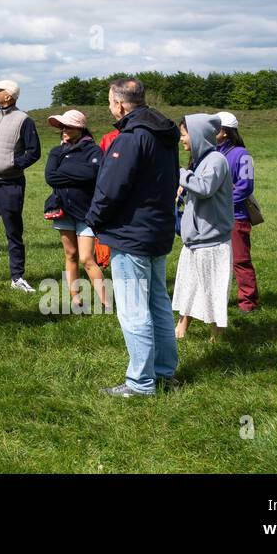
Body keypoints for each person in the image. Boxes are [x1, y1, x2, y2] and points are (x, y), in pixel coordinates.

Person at [84, 77, 181, 397]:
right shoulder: (164, 135)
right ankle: (165, 373)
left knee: (134, 309)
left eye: (110, 102)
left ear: (120, 104)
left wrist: (93, 222)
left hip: (131, 234)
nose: (111, 108)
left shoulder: (129, 138)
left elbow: (110, 188)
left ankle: (140, 383)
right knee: (158, 303)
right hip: (158, 230)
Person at [0, 78, 42, 291]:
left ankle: (17, 277)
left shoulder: (24, 120)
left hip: (9, 185)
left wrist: (12, 164)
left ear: (9, 96)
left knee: (13, 230)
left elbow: (34, 152)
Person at [172, 114, 234, 340]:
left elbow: (205, 187)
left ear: (197, 135)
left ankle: (217, 335)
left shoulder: (216, 160)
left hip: (212, 242)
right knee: (188, 285)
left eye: (184, 134)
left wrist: (179, 173)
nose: (182, 140)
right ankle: (181, 327)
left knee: (212, 289)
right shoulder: (200, 161)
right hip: (195, 240)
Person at [43, 109, 108, 310]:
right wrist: (79, 174)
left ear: (80, 128)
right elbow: (50, 177)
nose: (63, 130)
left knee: (86, 258)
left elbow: (94, 174)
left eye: (68, 126)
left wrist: (65, 172)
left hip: (87, 212)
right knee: (70, 254)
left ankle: (106, 302)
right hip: (63, 210)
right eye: (62, 126)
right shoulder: (56, 152)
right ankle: (75, 298)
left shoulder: (94, 151)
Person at [216, 111, 260, 313]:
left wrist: (222, 202)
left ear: (224, 132)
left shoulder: (242, 154)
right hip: (214, 217)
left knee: (240, 261)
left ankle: (248, 303)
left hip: (236, 217)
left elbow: (245, 186)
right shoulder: (213, 152)